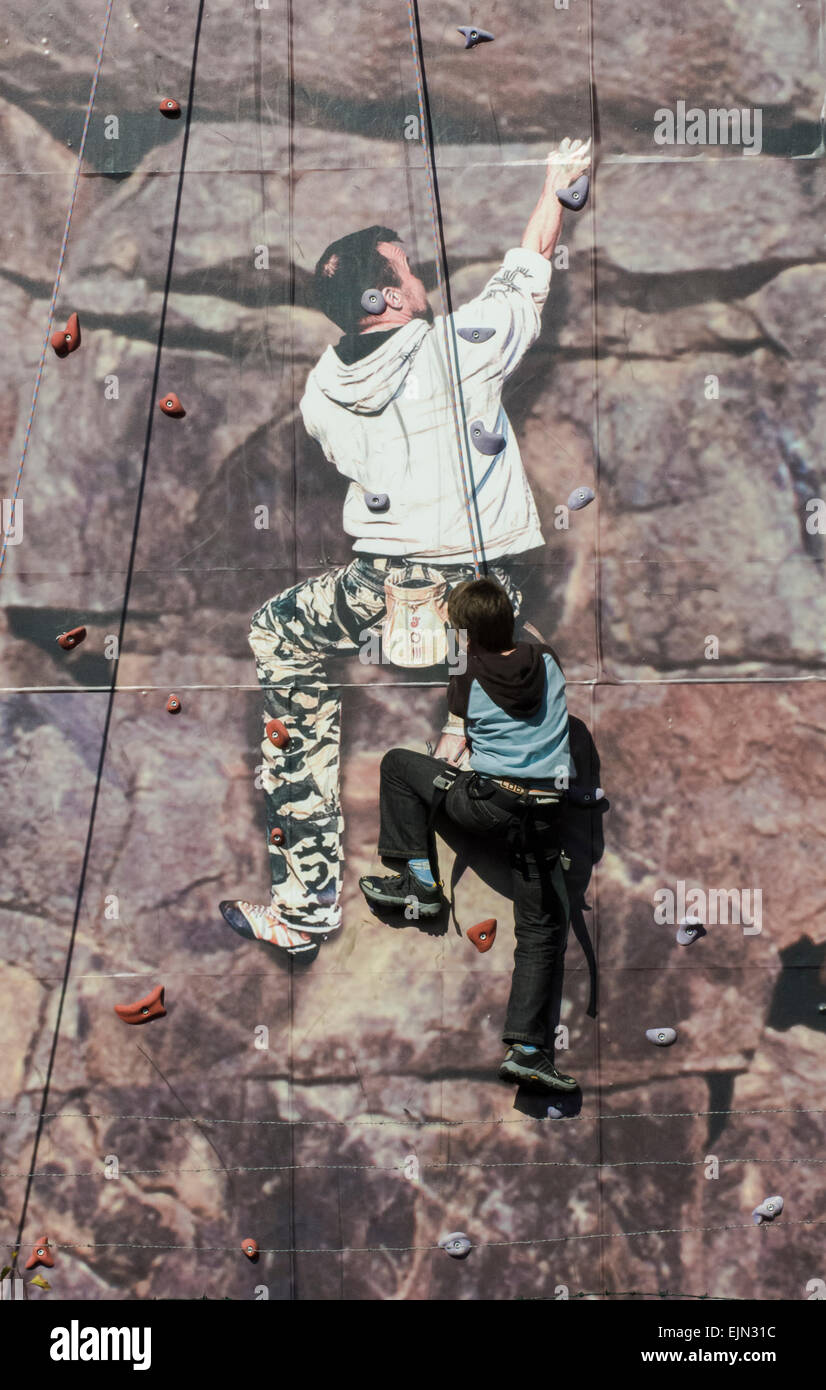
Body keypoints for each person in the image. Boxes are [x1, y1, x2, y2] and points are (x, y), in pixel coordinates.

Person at [220, 139, 592, 962]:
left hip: (383, 583)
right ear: (388, 295)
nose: (422, 277)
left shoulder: (322, 388)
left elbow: (353, 459)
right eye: (409, 269)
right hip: (484, 585)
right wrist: (554, 190)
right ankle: (466, 742)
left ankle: (307, 898)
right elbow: (529, 269)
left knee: (280, 634)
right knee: (483, 667)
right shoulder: (457, 347)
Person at [360, 578, 579, 1093]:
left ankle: (419, 882)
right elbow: (518, 646)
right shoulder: (547, 661)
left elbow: (456, 741)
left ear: (466, 632)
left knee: (398, 765)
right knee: (542, 932)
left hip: (487, 805)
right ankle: (527, 1049)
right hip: (543, 820)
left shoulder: (467, 674)